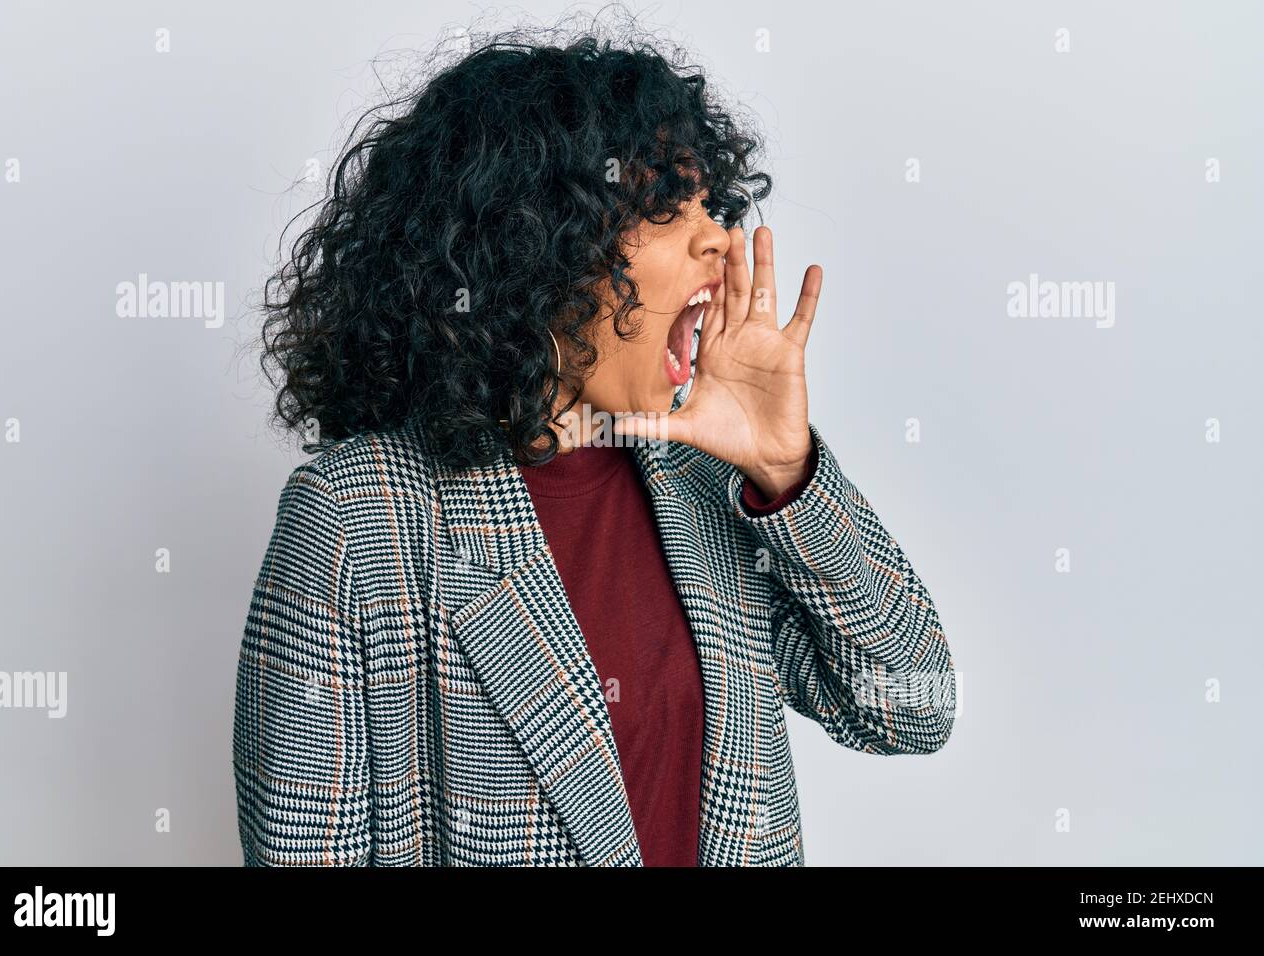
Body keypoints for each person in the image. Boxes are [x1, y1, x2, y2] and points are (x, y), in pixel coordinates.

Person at [234, 19, 957, 867]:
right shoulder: (357, 522)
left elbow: (913, 709)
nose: (717, 237)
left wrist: (787, 473)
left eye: (707, 204)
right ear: (533, 248)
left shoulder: (705, 482)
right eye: (662, 208)